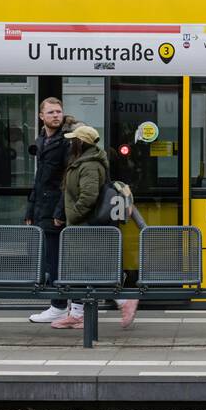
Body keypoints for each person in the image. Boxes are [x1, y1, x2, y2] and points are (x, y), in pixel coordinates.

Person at [53, 122, 139, 330]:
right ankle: (77, 314)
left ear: (81, 142)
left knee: (86, 270)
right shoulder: (82, 161)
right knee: (80, 270)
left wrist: (72, 214)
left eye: (73, 139)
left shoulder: (90, 165)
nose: (70, 143)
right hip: (81, 226)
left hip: (86, 226)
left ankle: (123, 302)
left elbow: (88, 196)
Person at [25, 98, 75, 325]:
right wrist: (30, 209)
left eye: (59, 111)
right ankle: (62, 305)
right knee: (50, 258)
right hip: (43, 207)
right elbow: (40, 180)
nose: (56, 115)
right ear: (41, 116)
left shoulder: (66, 142)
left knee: (56, 259)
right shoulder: (43, 140)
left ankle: (59, 305)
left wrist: (60, 211)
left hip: (57, 208)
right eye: (51, 112)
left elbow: (68, 180)